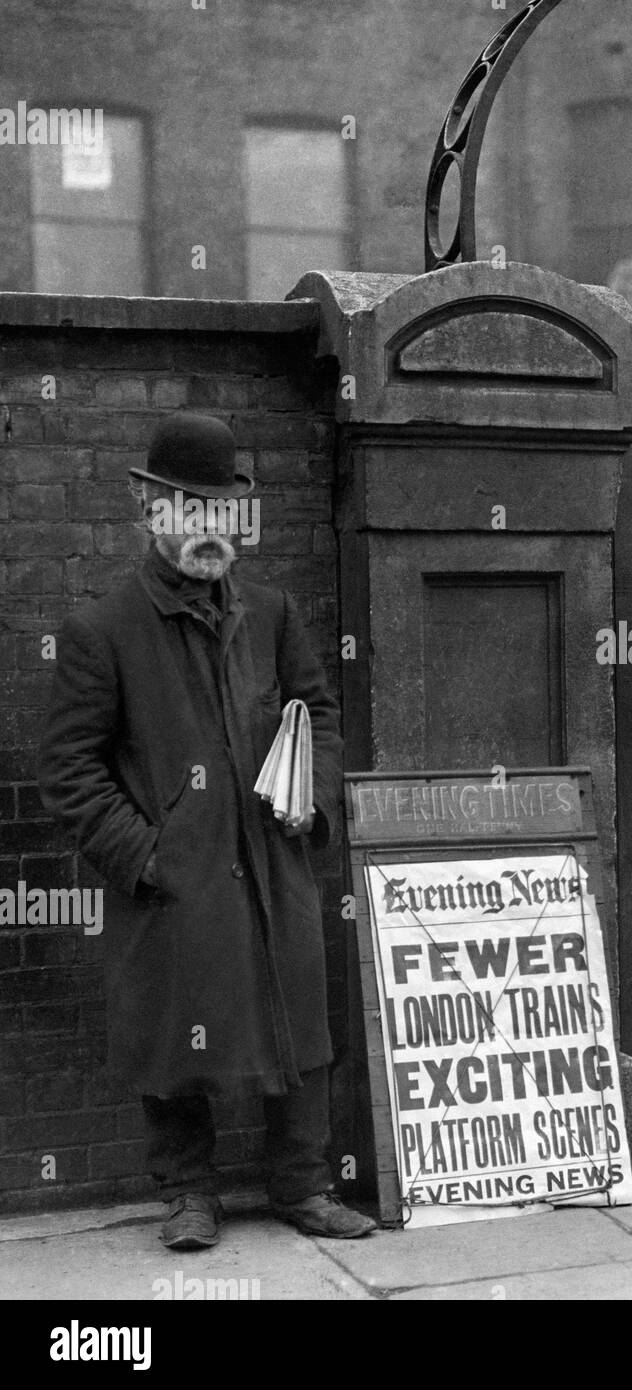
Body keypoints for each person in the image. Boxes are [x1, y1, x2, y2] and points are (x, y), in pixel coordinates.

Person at [38, 412, 376, 1247]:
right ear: (148, 507)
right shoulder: (103, 630)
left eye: (219, 511)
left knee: (300, 1024)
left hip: (273, 862)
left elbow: (320, 714)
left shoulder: (270, 611)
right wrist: (147, 857)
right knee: (173, 1032)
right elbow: (69, 771)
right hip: (177, 879)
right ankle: (188, 1192)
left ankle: (302, 1185)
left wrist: (315, 797)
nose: (205, 528)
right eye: (186, 509)